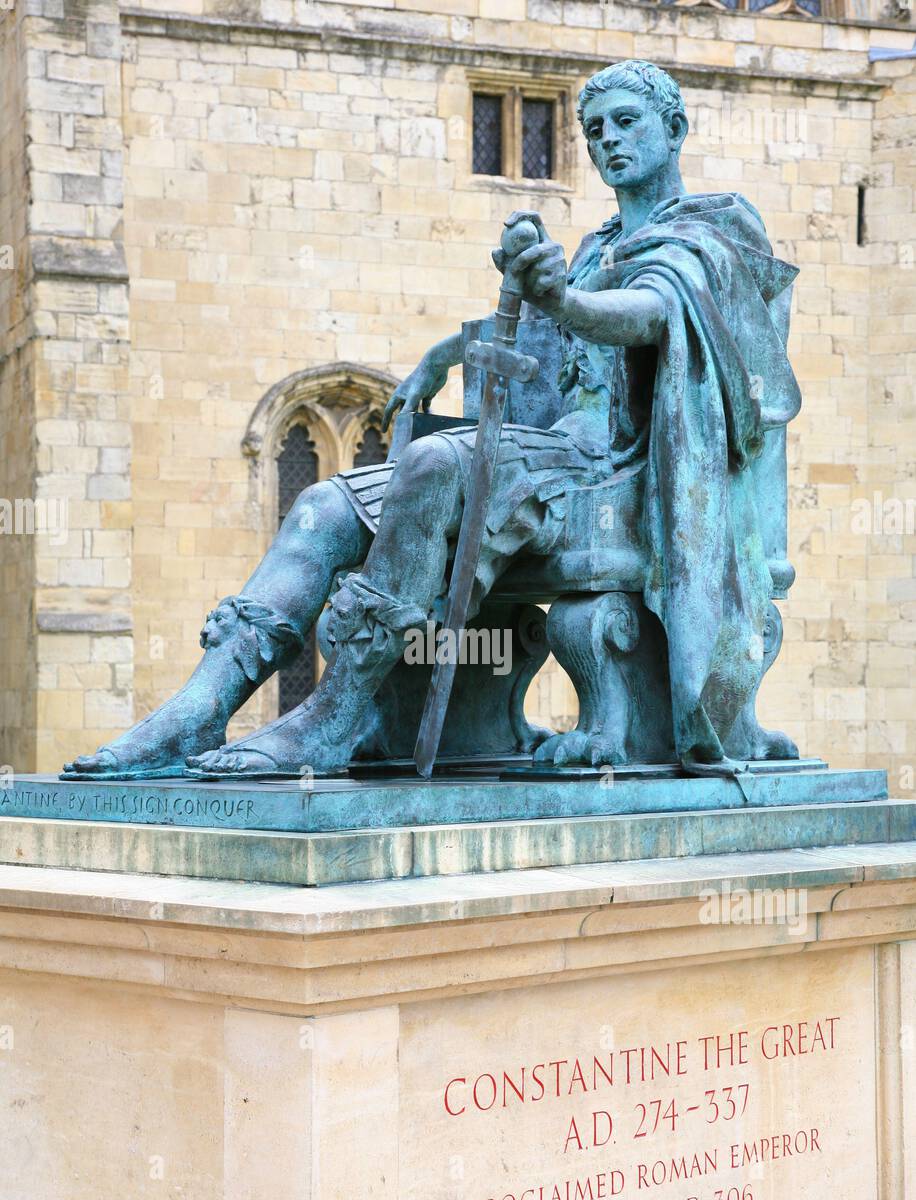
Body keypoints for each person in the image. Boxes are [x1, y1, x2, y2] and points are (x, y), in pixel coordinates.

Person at [65, 59, 799, 780]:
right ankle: (196, 708)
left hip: (621, 474)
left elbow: (650, 315)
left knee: (433, 462)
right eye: (594, 128)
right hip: (549, 455)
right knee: (322, 508)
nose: (607, 139)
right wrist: (448, 354)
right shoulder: (596, 246)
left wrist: (564, 301)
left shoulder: (714, 232)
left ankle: (336, 711)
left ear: (674, 129)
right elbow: (544, 344)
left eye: (626, 122)